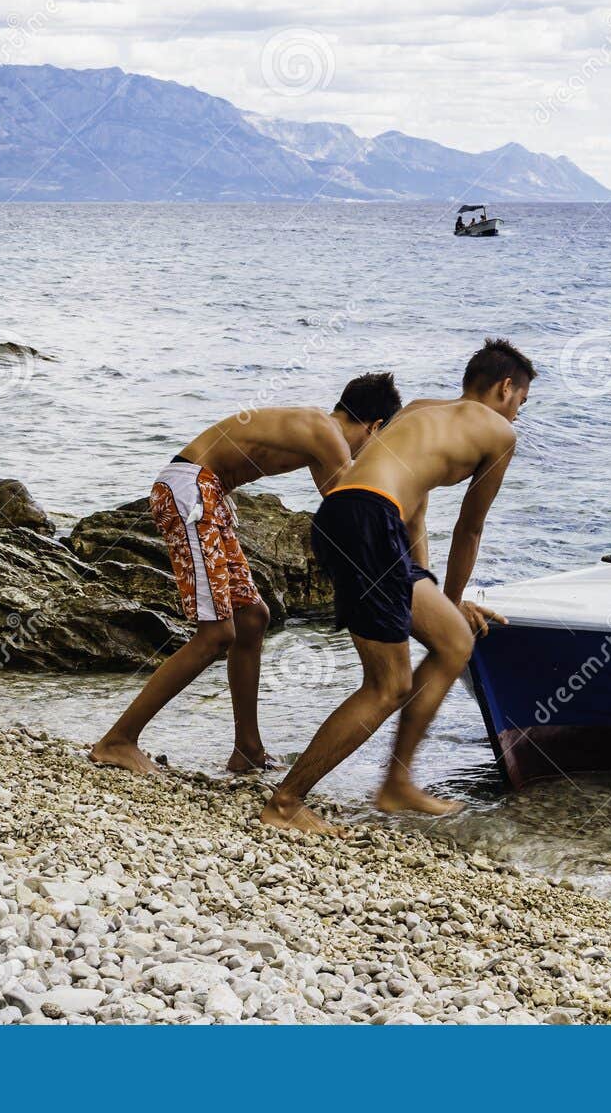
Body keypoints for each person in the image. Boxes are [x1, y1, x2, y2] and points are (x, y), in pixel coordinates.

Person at [261, 339, 534, 835]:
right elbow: (469, 529)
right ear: (505, 386)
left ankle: (396, 784)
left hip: (348, 517)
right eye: (520, 402)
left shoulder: (421, 411)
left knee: (454, 641)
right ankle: (285, 803)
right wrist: (450, 598)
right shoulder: (498, 432)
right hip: (368, 520)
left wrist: (441, 604)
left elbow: (414, 509)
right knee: (388, 685)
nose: (517, 415)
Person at [90, 373, 403, 776]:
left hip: (209, 493)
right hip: (191, 491)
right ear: (374, 427)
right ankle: (118, 740)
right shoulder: (327, 434)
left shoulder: (319, 429)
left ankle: (248, 749)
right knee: (216, 633)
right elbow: (351, 506)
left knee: (253, 617)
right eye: (377, 441)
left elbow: (341, 501)